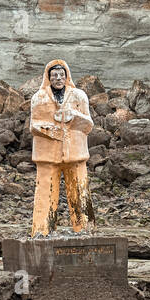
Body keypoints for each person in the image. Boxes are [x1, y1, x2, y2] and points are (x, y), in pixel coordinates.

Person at [28, 58, 96, 236]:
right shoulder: (39, 98)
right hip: (47, 156)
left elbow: (89, 125)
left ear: (67, 76)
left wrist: (74, 116)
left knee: (80, 193)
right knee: (45, 193)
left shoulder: (79, 96)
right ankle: (42, 231)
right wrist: (50, 129)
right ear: (48, 77)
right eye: (54, 75)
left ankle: (85, 230)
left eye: (61, 74)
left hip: (76, 153)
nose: (58, 78)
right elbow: (33, 125)